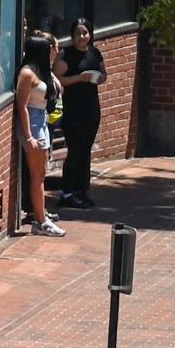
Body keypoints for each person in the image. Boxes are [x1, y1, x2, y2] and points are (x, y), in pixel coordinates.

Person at [57, 16, 107, 204]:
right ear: (72, 36)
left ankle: (82, 189)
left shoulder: (95, 53)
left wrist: (99, 78)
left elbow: (104, 74)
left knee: (86, 150)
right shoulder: (65, 54)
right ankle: (67, 192)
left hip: (91, 106)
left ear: (90, 34)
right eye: (77, 33)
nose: (81, 36)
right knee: (75, 149)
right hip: (73, 108)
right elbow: (57, 78)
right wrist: (79, 78)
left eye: (85, 33)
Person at [12, 50, 61, 234]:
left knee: (41, 173)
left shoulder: (42, 71)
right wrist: (29, 136)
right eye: (49, 49)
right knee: (36, 175)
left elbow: (57, 88)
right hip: (33, 122)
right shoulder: (27, 73)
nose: (53, 52)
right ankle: (40, 221)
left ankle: (42, 217)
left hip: (42, 118)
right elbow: (22, 105)